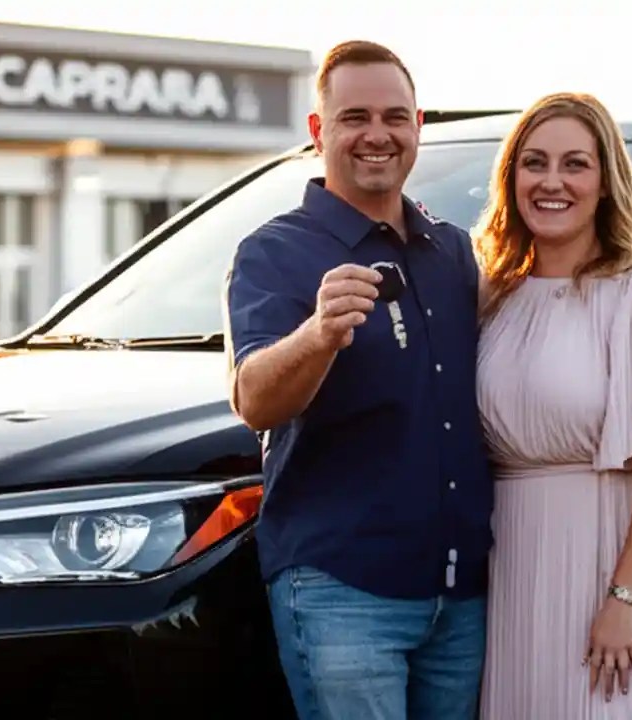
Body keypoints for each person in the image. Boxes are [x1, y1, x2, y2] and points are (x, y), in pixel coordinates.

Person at [223, 40, 493, 720]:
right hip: (343, 593)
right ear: (319, 132)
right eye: (355, 118)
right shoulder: (273, 254)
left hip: (462, 593)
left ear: (417, 127)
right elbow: (254, 401)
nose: (378, 135)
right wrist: (317, 335)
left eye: (395, 117)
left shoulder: (452, 250)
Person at [472, 92, 632, 719]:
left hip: (612, 567)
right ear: (511, 180)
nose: (551, 182)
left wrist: (627, 598)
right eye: (534, 163)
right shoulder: (492, 301)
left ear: (606, 182)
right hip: (515, 575)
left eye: (574, 164)